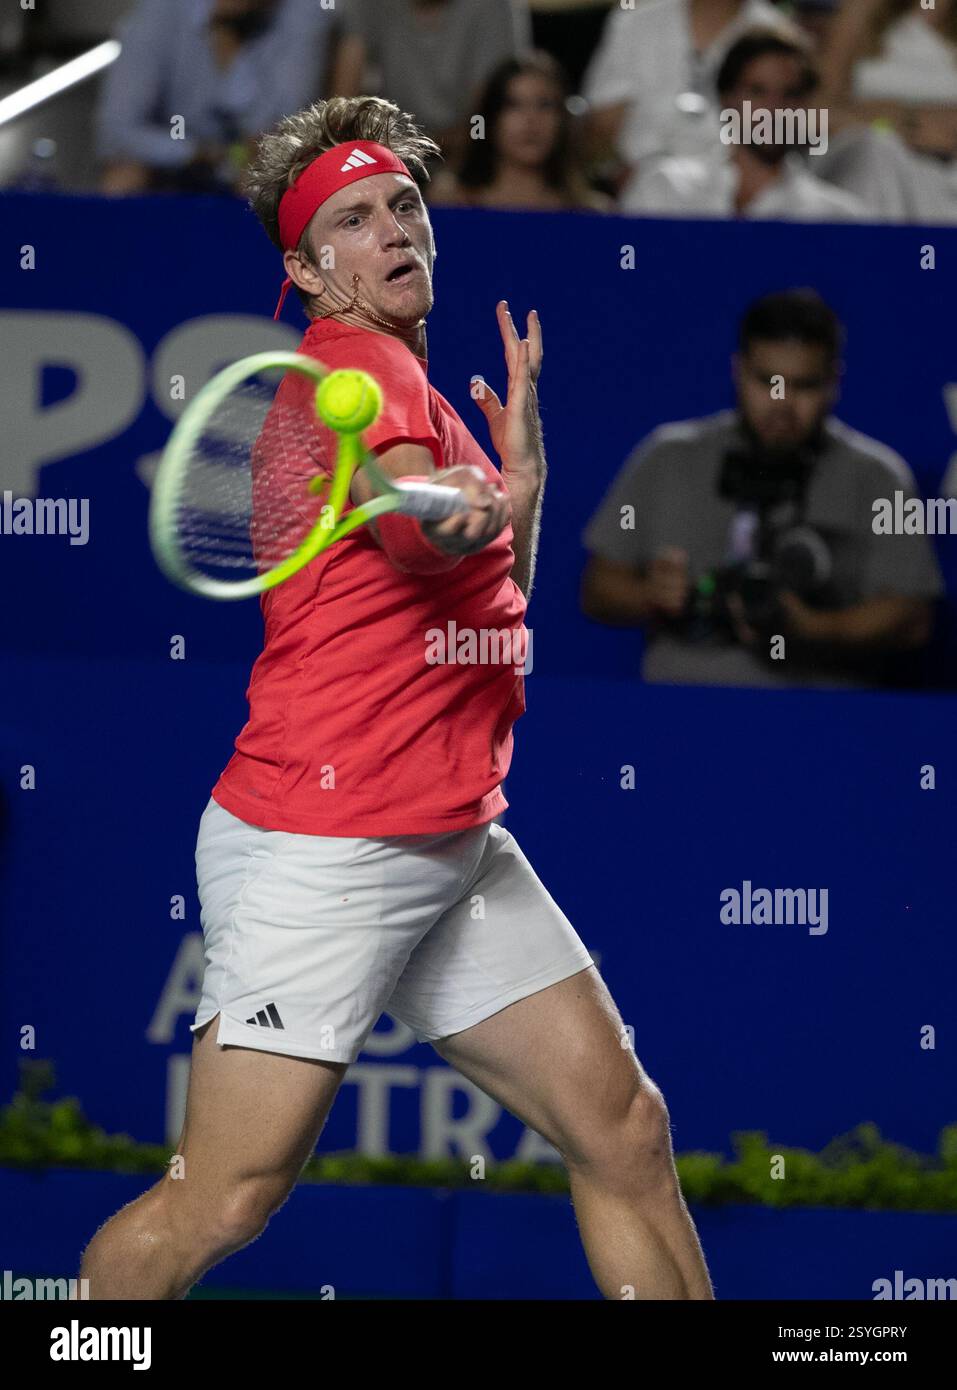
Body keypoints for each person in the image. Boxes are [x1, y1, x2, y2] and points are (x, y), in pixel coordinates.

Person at [78, 94, 714, 1302]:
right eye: (357, 221)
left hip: (446, 831)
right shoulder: (354, 372)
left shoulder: (404, 388)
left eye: (406, 207)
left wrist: (514, 492)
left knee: (622, 1129)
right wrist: (445, 507)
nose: (394, 233)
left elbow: (482, 606)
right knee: (220, 1200)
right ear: (310, 270)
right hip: (330, 840)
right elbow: (424, 543)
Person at [580, 289, 943, 689]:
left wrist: (815, 628)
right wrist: (653, 594)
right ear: (738, 370)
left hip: (827, 726)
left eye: (803, 385)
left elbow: (913, 618)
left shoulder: (880, 476)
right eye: (767, 381)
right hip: (678, 719)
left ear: (833, 382)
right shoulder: (667, 456)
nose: (782, 403)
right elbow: (598, 589)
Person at [624, 28, 869, 220]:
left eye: (790, 94)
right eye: (757, 91)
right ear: (726, 98)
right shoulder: (663, 190)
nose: (774, 109)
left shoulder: (835, 217)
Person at [95, 0, 333, 195]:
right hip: (173, 167)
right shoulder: (158, 11)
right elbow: (118, 130)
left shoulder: (305, 11)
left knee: (269, 180)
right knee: (123, 178)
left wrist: (230, 45)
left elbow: (283, 125)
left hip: (253, 167)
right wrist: (194, 154)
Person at [581, 0, 796, 198]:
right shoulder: (635, 21)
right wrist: (616, 178)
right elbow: (601, 127)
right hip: (638, 196)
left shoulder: (779, 33)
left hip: (733, 199)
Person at [330, 0, 532, 169]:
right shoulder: (365, 5)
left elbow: (483, 117)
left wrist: (453, 167)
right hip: (390, 153)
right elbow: (342, 107)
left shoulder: (495, 7)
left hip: (471, 157)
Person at [428, 52, 613, 211]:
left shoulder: (592, 212)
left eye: (545, 105)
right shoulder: (450, 201)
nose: (531, 120)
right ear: (490, 119)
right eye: (513, 105)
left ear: (563, 121)